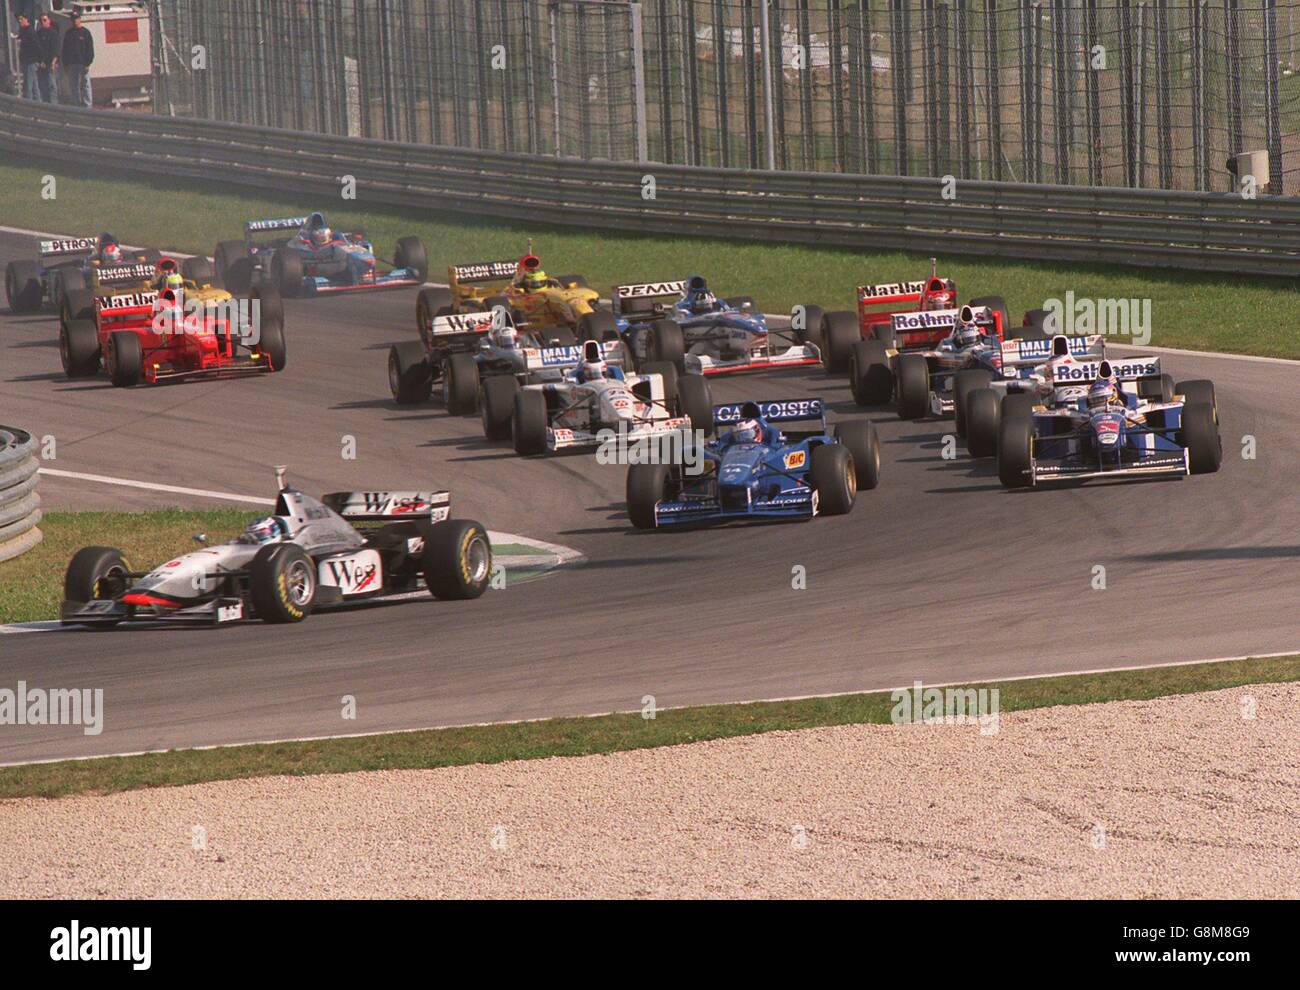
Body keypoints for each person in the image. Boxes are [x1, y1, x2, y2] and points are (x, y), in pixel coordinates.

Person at [60, 11, 95, 109]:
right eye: (73, 19)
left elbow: (90, 49)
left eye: (76, 18)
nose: (75, 21)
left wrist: (88, 63)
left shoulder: (85, 32)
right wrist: (65, 63)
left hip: (83, 63)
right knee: (73, 85)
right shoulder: (69, 33)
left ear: (80, 19)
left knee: (85, 85)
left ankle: (88, 105)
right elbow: (65, 49)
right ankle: (76, 105)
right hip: (72, 64)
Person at [15, 14, 41, 101]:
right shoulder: (23, 31)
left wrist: (38, 60)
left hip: (31, 62)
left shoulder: (30, 32)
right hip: (26, 62)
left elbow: (37, 47)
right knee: (34, 85)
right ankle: (39, 103)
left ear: (27, 20)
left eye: (21, 19)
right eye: (19, 19)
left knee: (28, 86)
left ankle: (29, 105)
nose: (20, 21)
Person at [36, 12, 59, 103]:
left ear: (49, 20)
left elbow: (56, 50)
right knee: (43, 87)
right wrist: (40, 61)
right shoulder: (39, 34)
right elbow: (37, 49)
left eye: (44, 20)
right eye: (41, 20)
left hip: (51, 65)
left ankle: (54, 107)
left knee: (52, 87)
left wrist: (53, 63)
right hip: (42, 65)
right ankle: (45, 107)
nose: (43, 22)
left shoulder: (53, 33)